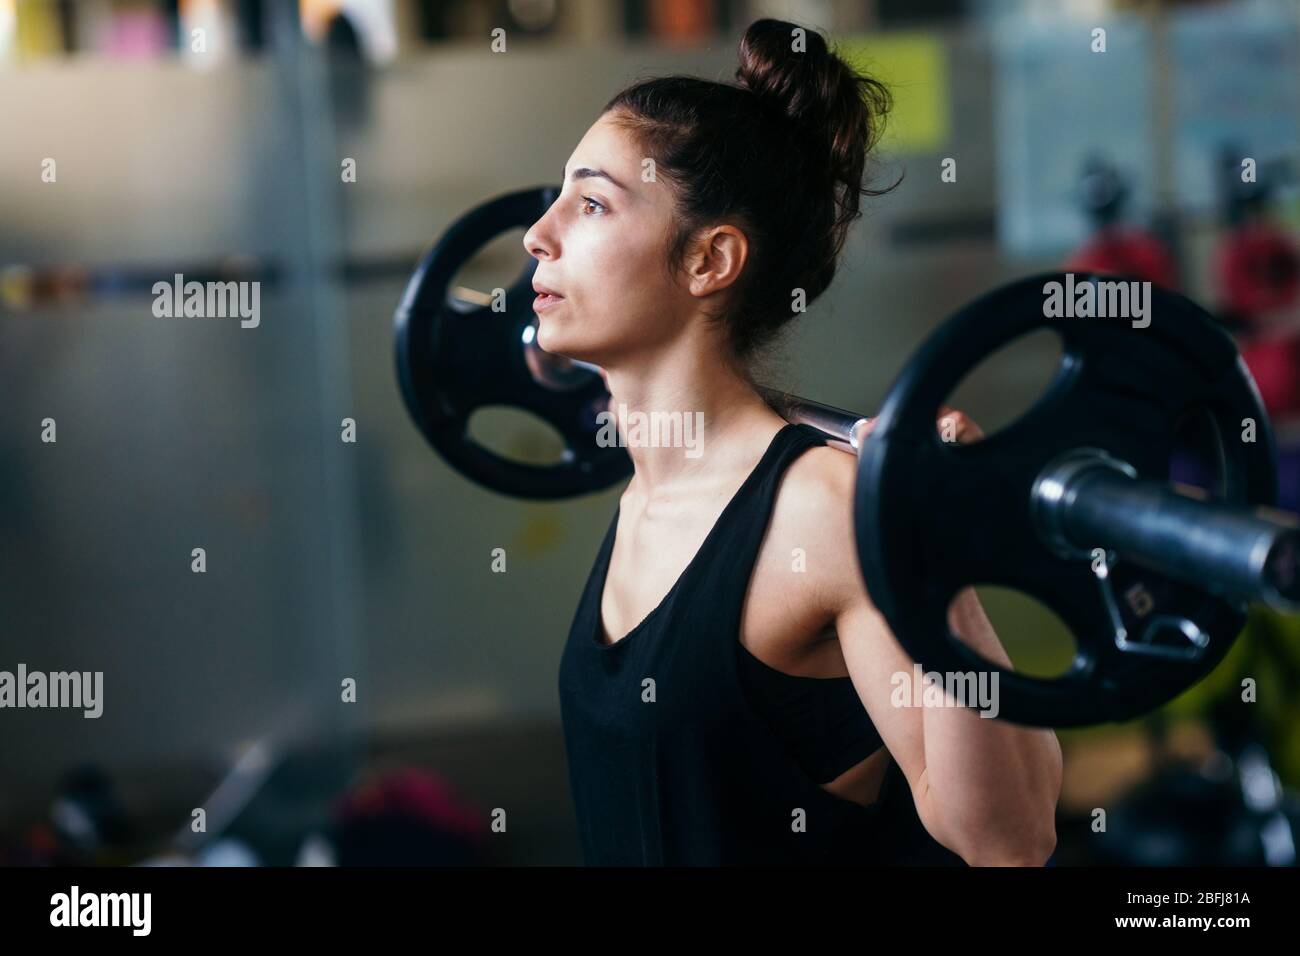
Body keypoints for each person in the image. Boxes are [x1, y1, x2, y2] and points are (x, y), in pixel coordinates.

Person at [522, 18, 1062, 866]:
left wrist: (937, 568)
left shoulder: (823, 510)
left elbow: (1009, 837)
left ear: (710, 259)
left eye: (589, 203)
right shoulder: (645, 495)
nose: (537, 234)